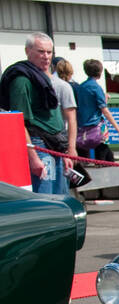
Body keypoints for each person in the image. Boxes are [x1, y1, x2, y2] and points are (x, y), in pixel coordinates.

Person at [1, 33, 71, 193]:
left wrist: (65, 152)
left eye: (49, 52)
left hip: (56, 145)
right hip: (39, 146)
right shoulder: (22, 79)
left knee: (61, 198)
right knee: (46, 200)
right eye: (41, 52)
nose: (46, 57)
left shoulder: (41, 77)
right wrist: (33, 158)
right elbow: (20, 123)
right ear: (28, 51)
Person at [74, 59, 119, 160]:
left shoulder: (81, 87)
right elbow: (104, 110)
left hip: (82, 125)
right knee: (103, 153)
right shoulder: (96, 87)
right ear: (100, 72)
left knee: (88, 153)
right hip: (97, 125)